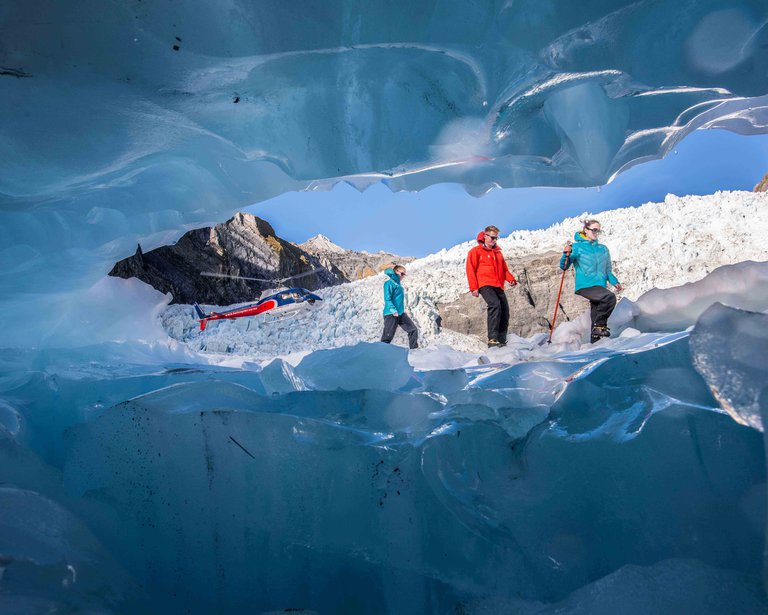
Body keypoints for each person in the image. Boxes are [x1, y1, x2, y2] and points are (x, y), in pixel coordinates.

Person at [560, 219, 623, 343]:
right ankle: (599, 327)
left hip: (600, 286)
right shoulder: (576, 247)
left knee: (597, 312)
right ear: (586, 230)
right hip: (585, 285)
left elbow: (607, 270)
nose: (596, 232)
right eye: (594, 229)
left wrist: (615, 282)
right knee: (609, 297)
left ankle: (596, 342)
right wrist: (565, 253)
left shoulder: (603, 249)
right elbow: (564, 266)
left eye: (598, 230)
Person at [466, 226, 518, 347]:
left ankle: (501, 339)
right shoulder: (475, 251)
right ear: (485, 236)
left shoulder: (498, 253)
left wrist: (511, 279)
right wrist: (474, 287)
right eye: (492, 238)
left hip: (498, 285)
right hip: (485, 284)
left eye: (496, 238)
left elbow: (504, 269)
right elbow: (470, 269)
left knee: (505, 310)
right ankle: (492, 339)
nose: (494, 240)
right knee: (495, 304)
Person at [381, 265, 419, 349]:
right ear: (396, 272)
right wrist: (393, 310)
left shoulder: (399, 285)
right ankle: (380, 354)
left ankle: (415, 351)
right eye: (402, 273)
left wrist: (399, 311)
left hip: (400, 313)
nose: (403, 276)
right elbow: (387, 298)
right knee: (387, 337)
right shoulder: (389, 283)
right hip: (391, 313)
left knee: (413, 330)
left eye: (404, 274)